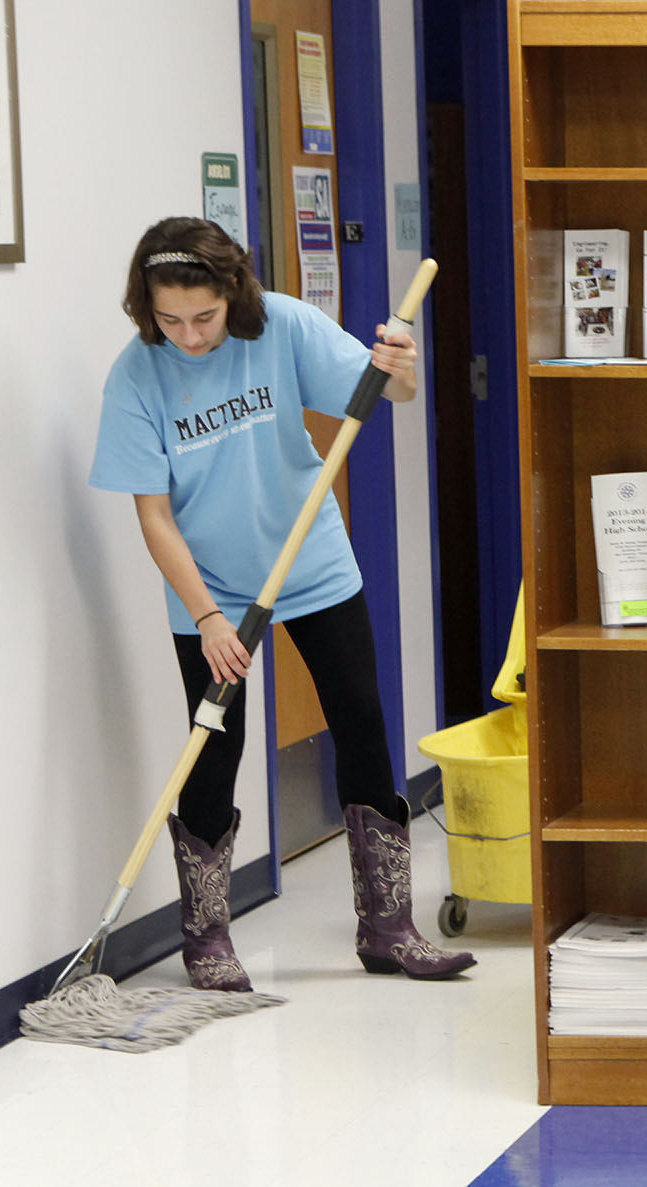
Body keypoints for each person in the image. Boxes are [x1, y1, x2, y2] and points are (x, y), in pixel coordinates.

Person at [90, 216, 475, 991]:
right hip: (209, 587)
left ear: (233, 293)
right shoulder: (136, 375)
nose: (191, 336)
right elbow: (153, 515)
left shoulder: (285, 326)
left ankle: (389, 928)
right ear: (146, 309)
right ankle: (206, 939)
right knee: (214, 745)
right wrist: (205, 617)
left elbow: (386, 391)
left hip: (310, 560)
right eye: (170, 320)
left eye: (204, 317)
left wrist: (403, 366)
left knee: (361, 719)